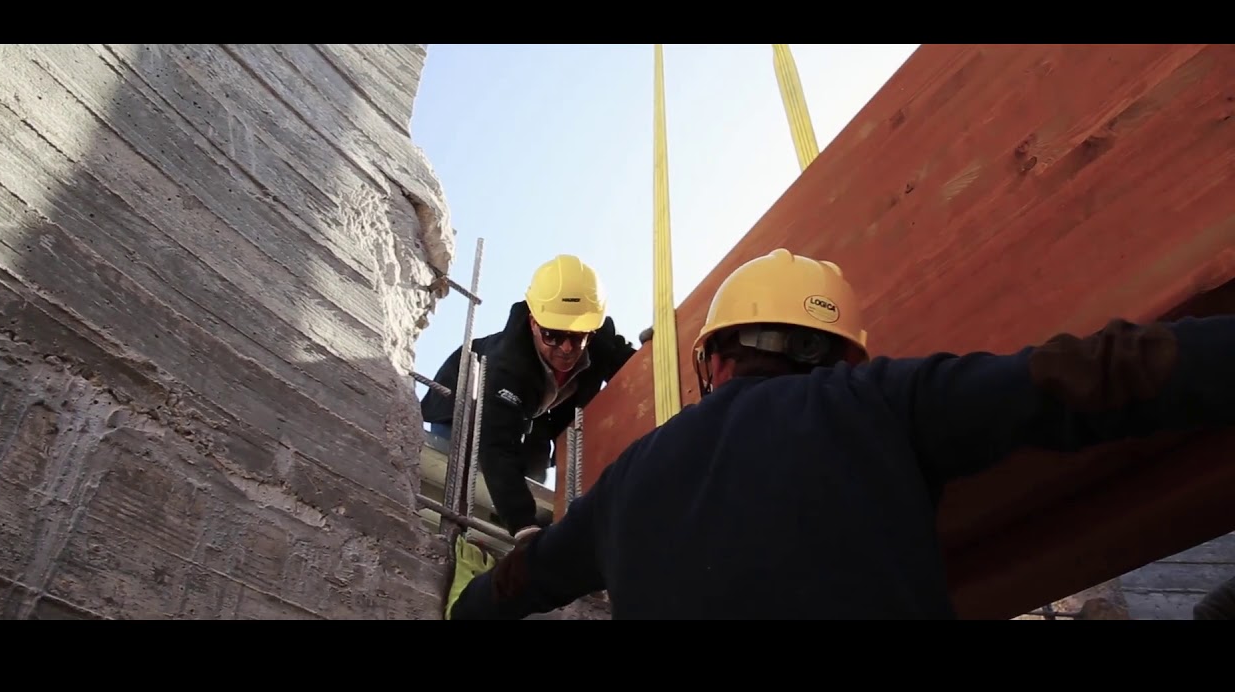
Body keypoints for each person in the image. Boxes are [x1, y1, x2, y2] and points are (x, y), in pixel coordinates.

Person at [443, 247, 1235, 619]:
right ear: (845, 350)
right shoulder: (883, 401)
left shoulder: (628, 483)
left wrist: (465, 608)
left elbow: (522, 580)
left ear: (714, 355)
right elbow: (1098, 376)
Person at [420, 254, 636, 539]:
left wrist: (660, 349)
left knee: (534, 472)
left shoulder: (597, 340)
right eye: (553, 335)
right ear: (534, 323)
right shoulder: (508, 364)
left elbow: (632, 367)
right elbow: (496, 446)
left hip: (531, 417)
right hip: (461, 404)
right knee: (465, 465)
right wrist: (524, 526)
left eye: (578, 337)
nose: (567, 348)